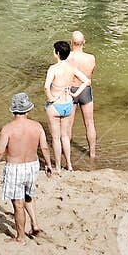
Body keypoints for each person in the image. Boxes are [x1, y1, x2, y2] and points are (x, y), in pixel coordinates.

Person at [0, 93, 55, 243]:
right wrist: (49, 164)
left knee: (18, 204)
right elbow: (44, 147)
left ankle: (20, 237)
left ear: (13, 111)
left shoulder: (8, 129)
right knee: (28, 196)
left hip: (15, 168)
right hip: (33, 166)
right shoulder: (37, 126)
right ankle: (35, 225)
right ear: (28, 110)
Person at [44, 40, 91, 173]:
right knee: (65, 136)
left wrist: (51, 99)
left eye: (54, 51)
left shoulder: (53, 69)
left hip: (56, 105)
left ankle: (58, 166)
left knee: (56, 138)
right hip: (68, 104)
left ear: (57, 53)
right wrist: (75, 92)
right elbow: (86, 81)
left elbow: (46, 87)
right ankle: (69, 165)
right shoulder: (71, 67)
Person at [68, 30, 97, 161]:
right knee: (90, 123)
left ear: (71, 43)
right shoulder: (91, 58)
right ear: (84, 42)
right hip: (85, 90)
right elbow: (91, 74)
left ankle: (66, 154)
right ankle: (92, 154)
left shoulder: (67, 57)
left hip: (71, 90)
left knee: (68, 124)